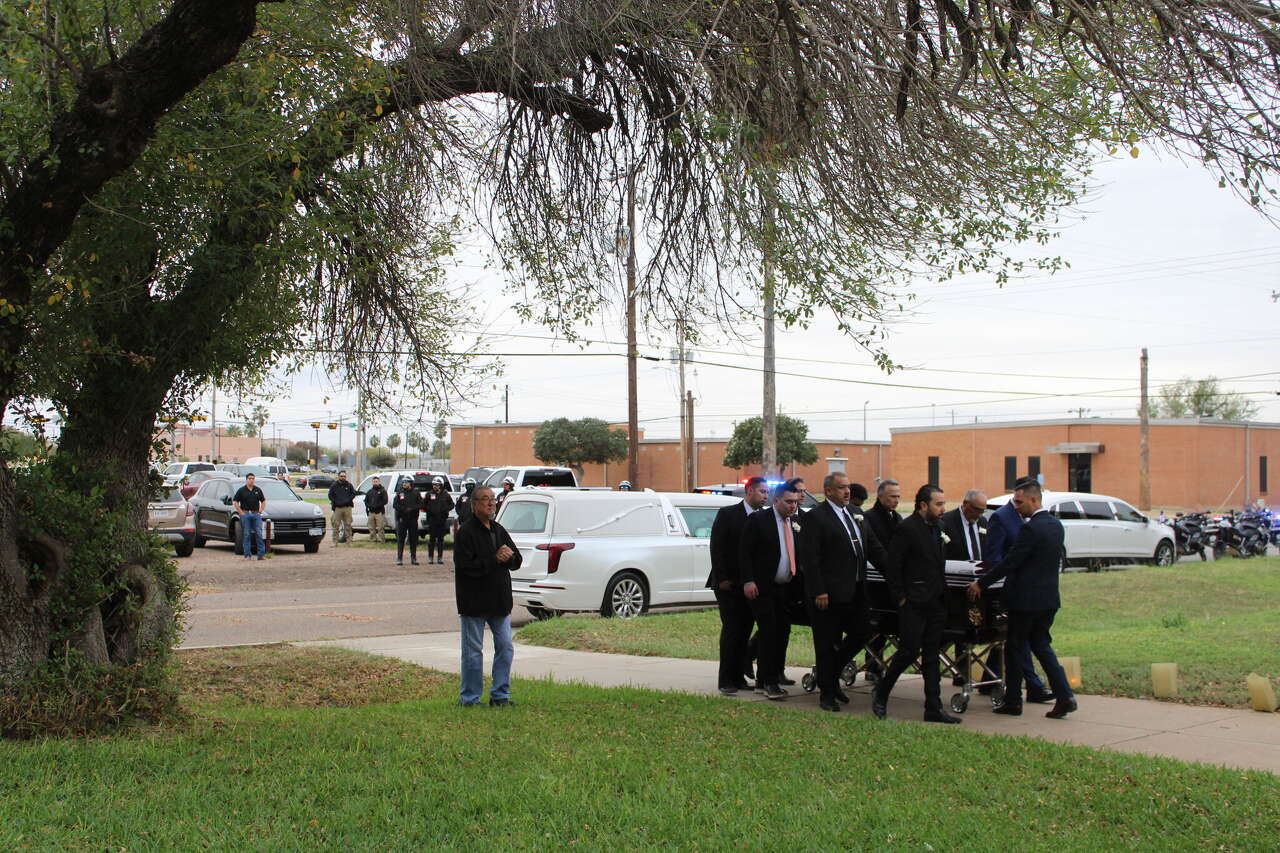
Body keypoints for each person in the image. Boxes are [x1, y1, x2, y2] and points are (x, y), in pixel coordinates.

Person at [968, 479, 1077, 719]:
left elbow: (1011, 562)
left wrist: (981, 583)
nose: (1016, 507)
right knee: (1042, 646)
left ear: (1034, 499)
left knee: (1015, 648)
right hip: (1048, 598)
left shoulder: (1031, 528)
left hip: (1025, 600)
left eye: (1019, 502)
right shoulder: (1056, 525)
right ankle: (1064, 695)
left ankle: (1013, 701)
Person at [872, 484, 962, 724]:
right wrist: (901, 597)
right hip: (913, 601)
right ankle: (881, 694)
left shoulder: (940, 528)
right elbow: (894, 567)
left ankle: (933, 707)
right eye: (938, 504)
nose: (943, 509)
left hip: (936, 600)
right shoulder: (907, 529)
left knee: (932, 655)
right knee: (908, 651)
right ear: (923, 505)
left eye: (944, 503)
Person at [803, 472, 890, 712]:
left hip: (857, 591)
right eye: (841, 488)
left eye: (848, 487)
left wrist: (894, 572)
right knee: (827, 643)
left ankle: (829, 674)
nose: (847, 492)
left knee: (863, 633)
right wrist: (819, 591)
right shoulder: (817, 517)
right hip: (828, 594)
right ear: (829, 491)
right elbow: (811, 559)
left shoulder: (856, 514)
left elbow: (874, 548)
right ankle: (827, 694)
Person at [983, 478, 1054, 703]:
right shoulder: (1001, 518)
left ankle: (1011, 686)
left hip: (1029, 590)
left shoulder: (1034, 520)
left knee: (1016, 641)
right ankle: (1031, 687)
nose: (1018, 504)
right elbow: (995, 556)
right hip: (1011, 587)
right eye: (1016, 499)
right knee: (1016, 641)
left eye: (1020, 500)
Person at [454, 486, 523, 707]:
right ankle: (470, 698)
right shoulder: (465, 532)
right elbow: (466, 567)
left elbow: (516, 560)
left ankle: (500, 695)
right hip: (474, 601)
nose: (491, 503)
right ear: (474, 505)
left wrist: (509, 557)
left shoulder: (499, 530)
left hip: (499, 601)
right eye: (485, 499)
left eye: (493, 499)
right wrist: (495, 558)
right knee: (473, 652)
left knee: (505, 647)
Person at [738, 480, 806, 700]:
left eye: (795, 502)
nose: (792, 506)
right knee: (769, 632)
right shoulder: (759, 520)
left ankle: (769, 677)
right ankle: (768, 680)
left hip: (786, 588)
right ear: (776, 501)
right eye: (788, 502)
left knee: (783, 631)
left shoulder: (795, 522)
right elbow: (745, 553)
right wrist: (748, 580)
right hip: (763, 587)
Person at [707, 476, 768, 694]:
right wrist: (722, 578)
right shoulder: (728, 514)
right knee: (732, 631)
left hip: (750, 585)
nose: (765, 496)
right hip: (728, 585)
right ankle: (726, 680)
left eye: (767, 493)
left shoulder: (763, 518)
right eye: (762, 491)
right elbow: (718, 548)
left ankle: (738, 677)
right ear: (749, 491)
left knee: (745, 631)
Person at [862, 478, 902, 677]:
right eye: (892, 496)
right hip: (876, 579)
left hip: (893, 578)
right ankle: (872, 664)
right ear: (880, 496)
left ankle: (880, 664)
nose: (896, 500)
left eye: (898, 497)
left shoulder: (897, 518)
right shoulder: (869, 518)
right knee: (876, 629)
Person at [942, 490, 987, 562]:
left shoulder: (983, 521)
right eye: (976, 509)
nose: (978, 514)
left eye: (982, 511)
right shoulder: (946, 521)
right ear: (965, 503)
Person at [233, 473, 268, 561]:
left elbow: (263, 501)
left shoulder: (258, 490)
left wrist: (261, 509)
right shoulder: (241, 490)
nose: (251, 480)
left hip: (256, 514)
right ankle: (247, 556)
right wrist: (241, 512)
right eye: (249, 478)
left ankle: (261, 555)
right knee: (247, 535)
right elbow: (235, 502)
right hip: (246, 514)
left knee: (259, 534)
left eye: (253, 478)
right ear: (246, 479)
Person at [424, 476, 456, 565]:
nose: (435, 486)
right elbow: (423, 505)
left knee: (441, 539)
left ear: (441, 485)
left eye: (437, 485)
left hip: (441, 520)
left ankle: (440, 557)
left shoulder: (445, 494)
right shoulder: (429, 494)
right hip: (432, 520)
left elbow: (452, 505)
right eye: (434, 484)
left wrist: (445, 509)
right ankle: (430, 557)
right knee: (432, 539)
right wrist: (430, 510)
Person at [392, 478, 422, 566]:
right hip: (402, 519)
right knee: (401, 539)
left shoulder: (416, 493)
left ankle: (413, 558)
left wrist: (412, 509)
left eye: (406, 482)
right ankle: (399, 558)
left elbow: (421, 504)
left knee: (413, 539)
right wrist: (403, 509)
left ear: (410, 483)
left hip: (412, 519)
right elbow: (395, 504)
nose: (404, 484)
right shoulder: (399, 493)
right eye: (403, 482)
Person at [327, 470, 356, 544]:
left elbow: (353, 494)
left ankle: (349, 541)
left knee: (348, 524)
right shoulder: (334, 485)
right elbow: (330, 495)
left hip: (347, 508)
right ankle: (335, 542)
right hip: (337, 508)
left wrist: (348, 500)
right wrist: (336, 502)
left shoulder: (349, 485)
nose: (343, 477)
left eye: (344, 476)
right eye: (341, 476)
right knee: (336, 525)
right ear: (338, 476)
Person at [364, 475, 389, 543]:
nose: (375, 483)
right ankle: (373, 540)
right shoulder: (369, 491)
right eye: (374, 481)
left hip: (379, 512)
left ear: (379, 482)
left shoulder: (383, 491)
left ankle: (382, 540)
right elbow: (366, 501)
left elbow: (385, 501)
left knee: (380, 527)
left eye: (376, 481)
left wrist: (377, 506)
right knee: (371, 527)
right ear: (372, 483)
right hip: (371, 512)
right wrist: (369, 506)